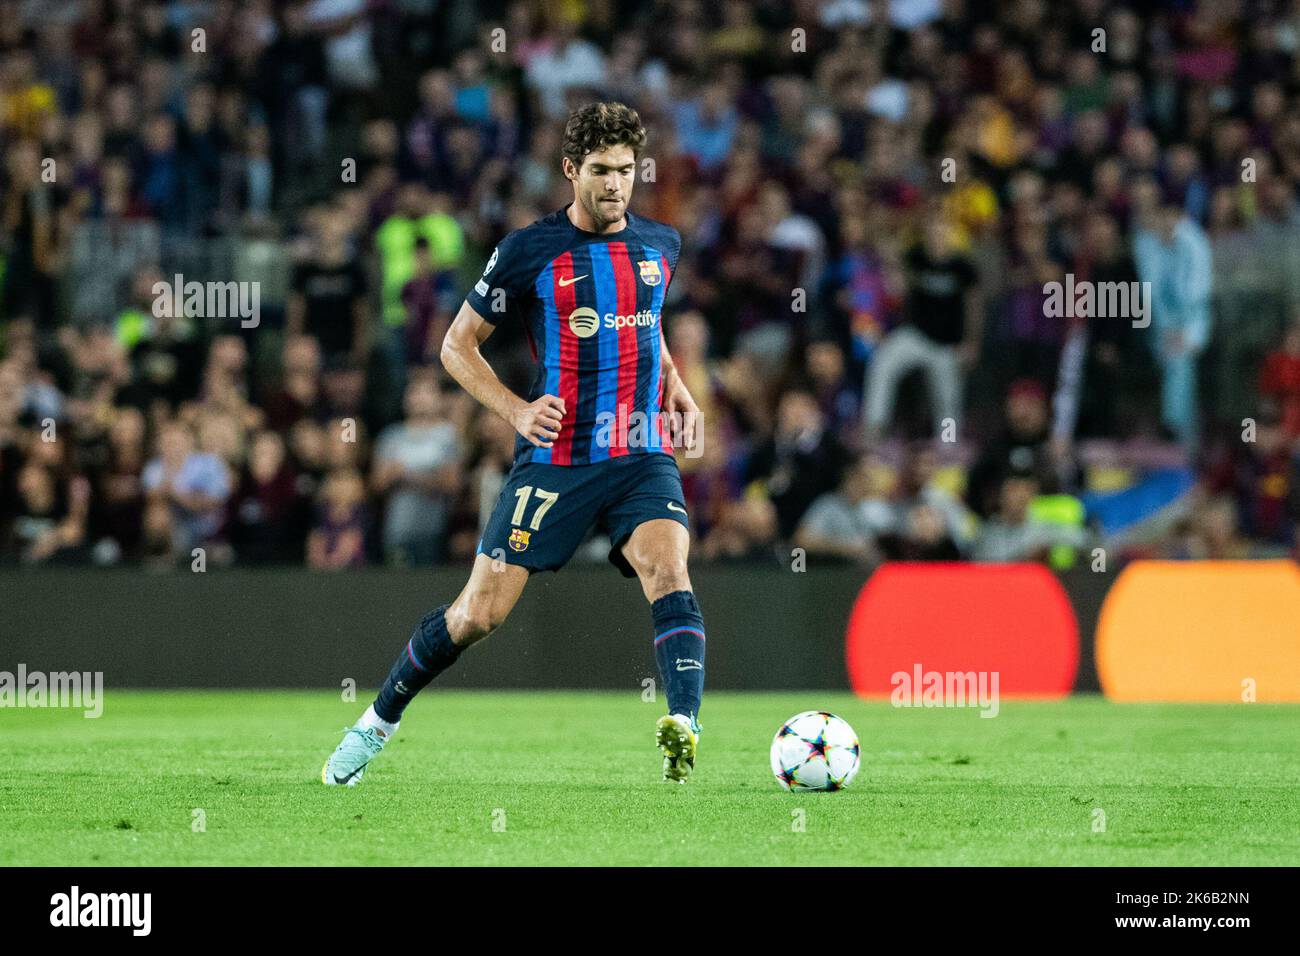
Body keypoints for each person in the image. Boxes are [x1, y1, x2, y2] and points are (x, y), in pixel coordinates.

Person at [323, 103, 707, 786]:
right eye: (600, 171)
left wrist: (675, 382)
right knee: (478, 615)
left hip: (640, 448)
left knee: (668, 569)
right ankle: (375, 723)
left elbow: (645, 323)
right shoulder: (530, 250)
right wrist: (515, 409)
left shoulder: (661, 244)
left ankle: (685, 725)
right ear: (570, 171)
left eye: (626, 170)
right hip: (556, 459)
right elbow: (455, 346)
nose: (616, 184)